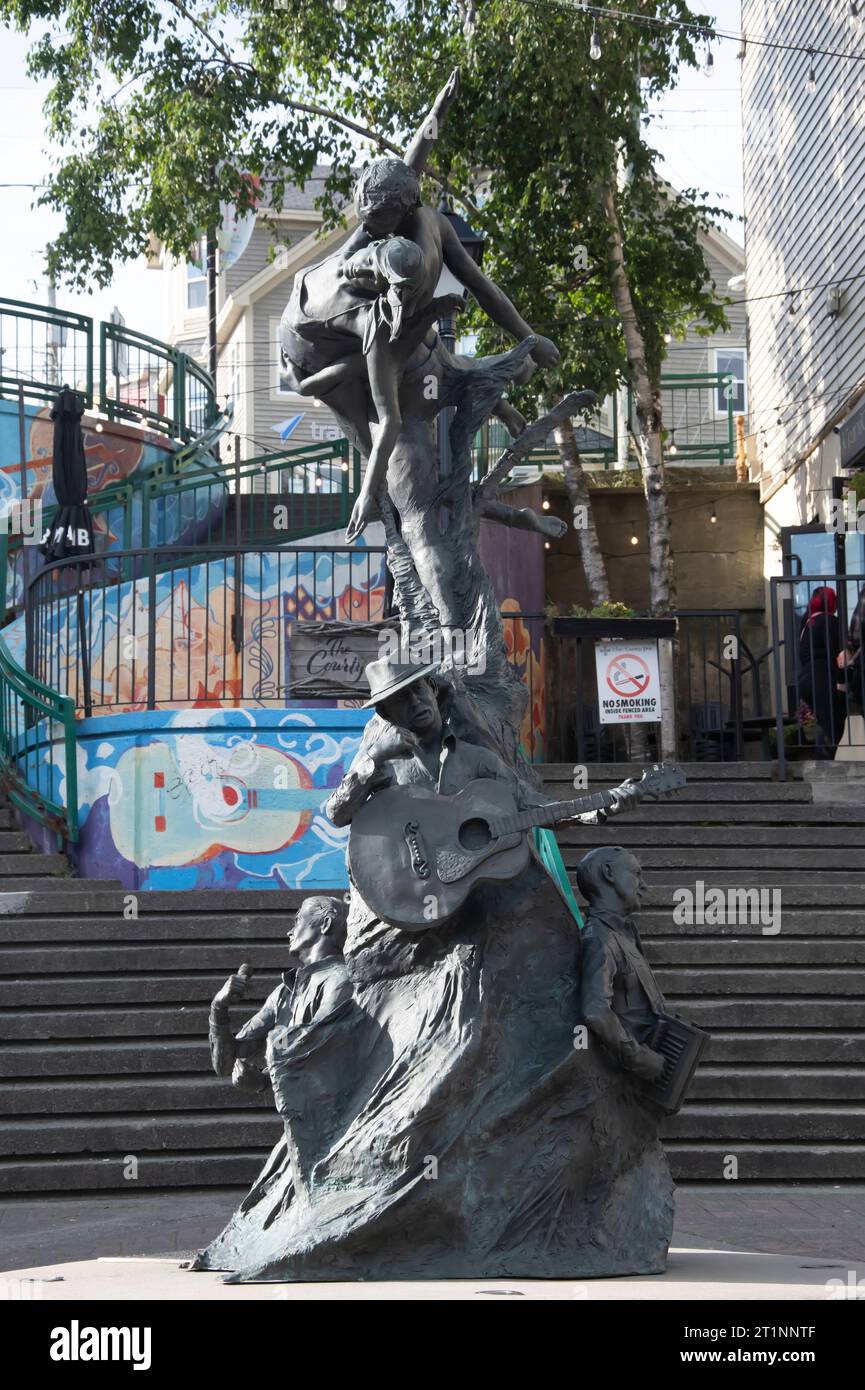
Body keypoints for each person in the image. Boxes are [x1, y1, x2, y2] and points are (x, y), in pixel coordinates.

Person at [207, 895, 351, 1096]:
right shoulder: (284, 992)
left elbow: (319, 1053)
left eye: (297, 920)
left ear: (325, 924)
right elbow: (226, 1064)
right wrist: (218, 1009)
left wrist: (265, 1081)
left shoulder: (340, 981)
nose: (289, 931)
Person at [577, 846, 668, 1086]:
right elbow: (595, 1011)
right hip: (620, 1079)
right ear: (609, 873)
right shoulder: (600, 939)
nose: (645, 886)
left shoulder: (623, 932)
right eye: (637, 874)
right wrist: (640, 1059)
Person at [798, 585, 845, 758]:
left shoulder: (806, 624)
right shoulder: (830, 621)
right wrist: (841, 683)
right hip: (822, 678)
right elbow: (837, 655)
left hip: (805, 679)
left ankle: (818, 762)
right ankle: (822, 769)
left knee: (819, 727)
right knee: (833, 726)